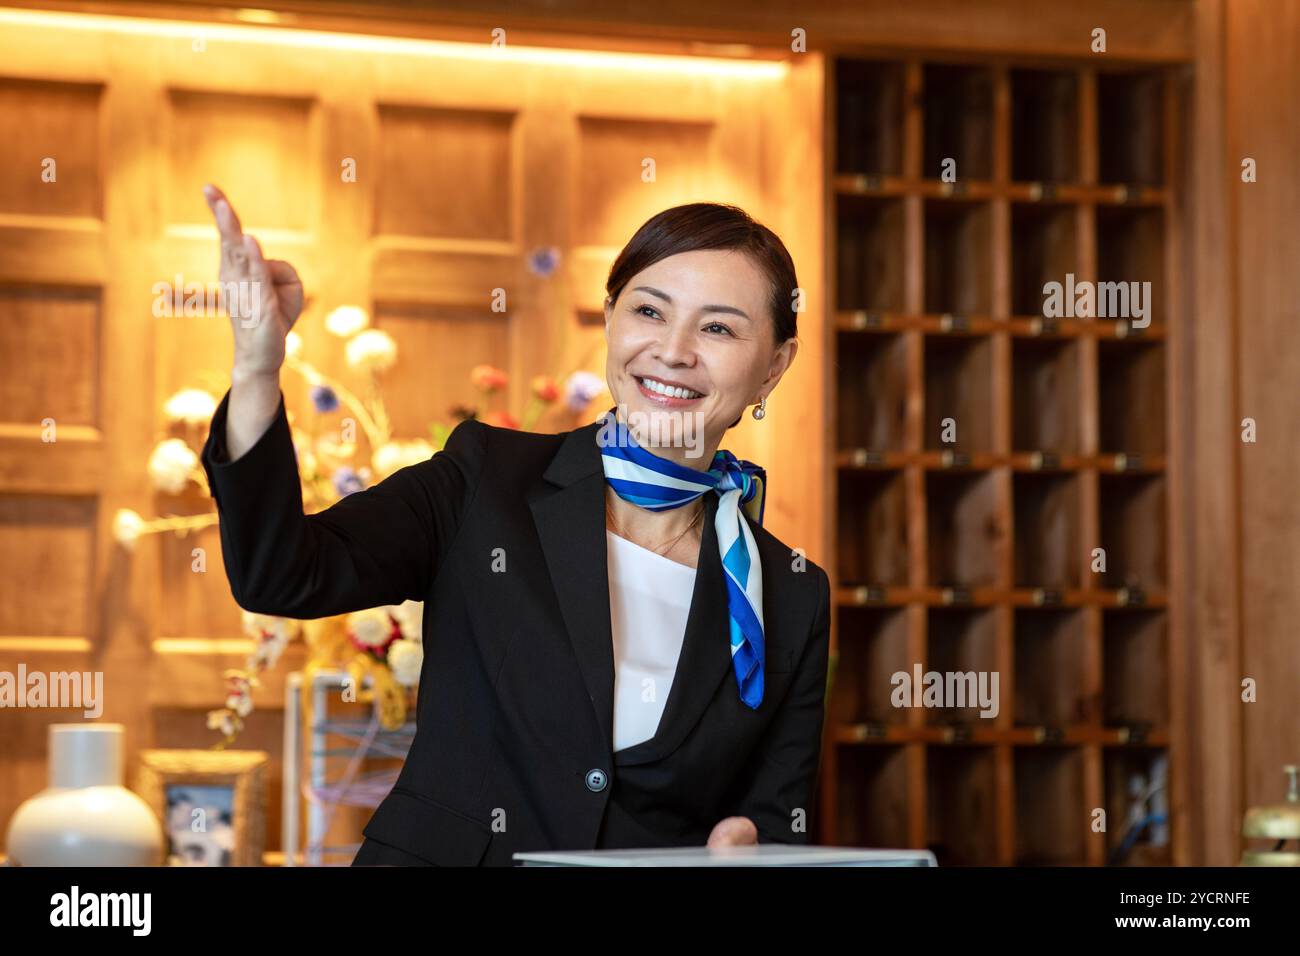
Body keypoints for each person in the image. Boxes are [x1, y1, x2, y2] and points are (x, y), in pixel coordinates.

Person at [197, 184, 831, 865]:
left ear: (773, 368)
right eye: (650, 310)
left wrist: (751, 846)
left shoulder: (789, 595)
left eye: (718, 328)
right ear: (612, 318)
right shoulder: (486, 479)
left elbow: (773, 817)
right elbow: (283, 576)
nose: (673, 351)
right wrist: (259, 367)